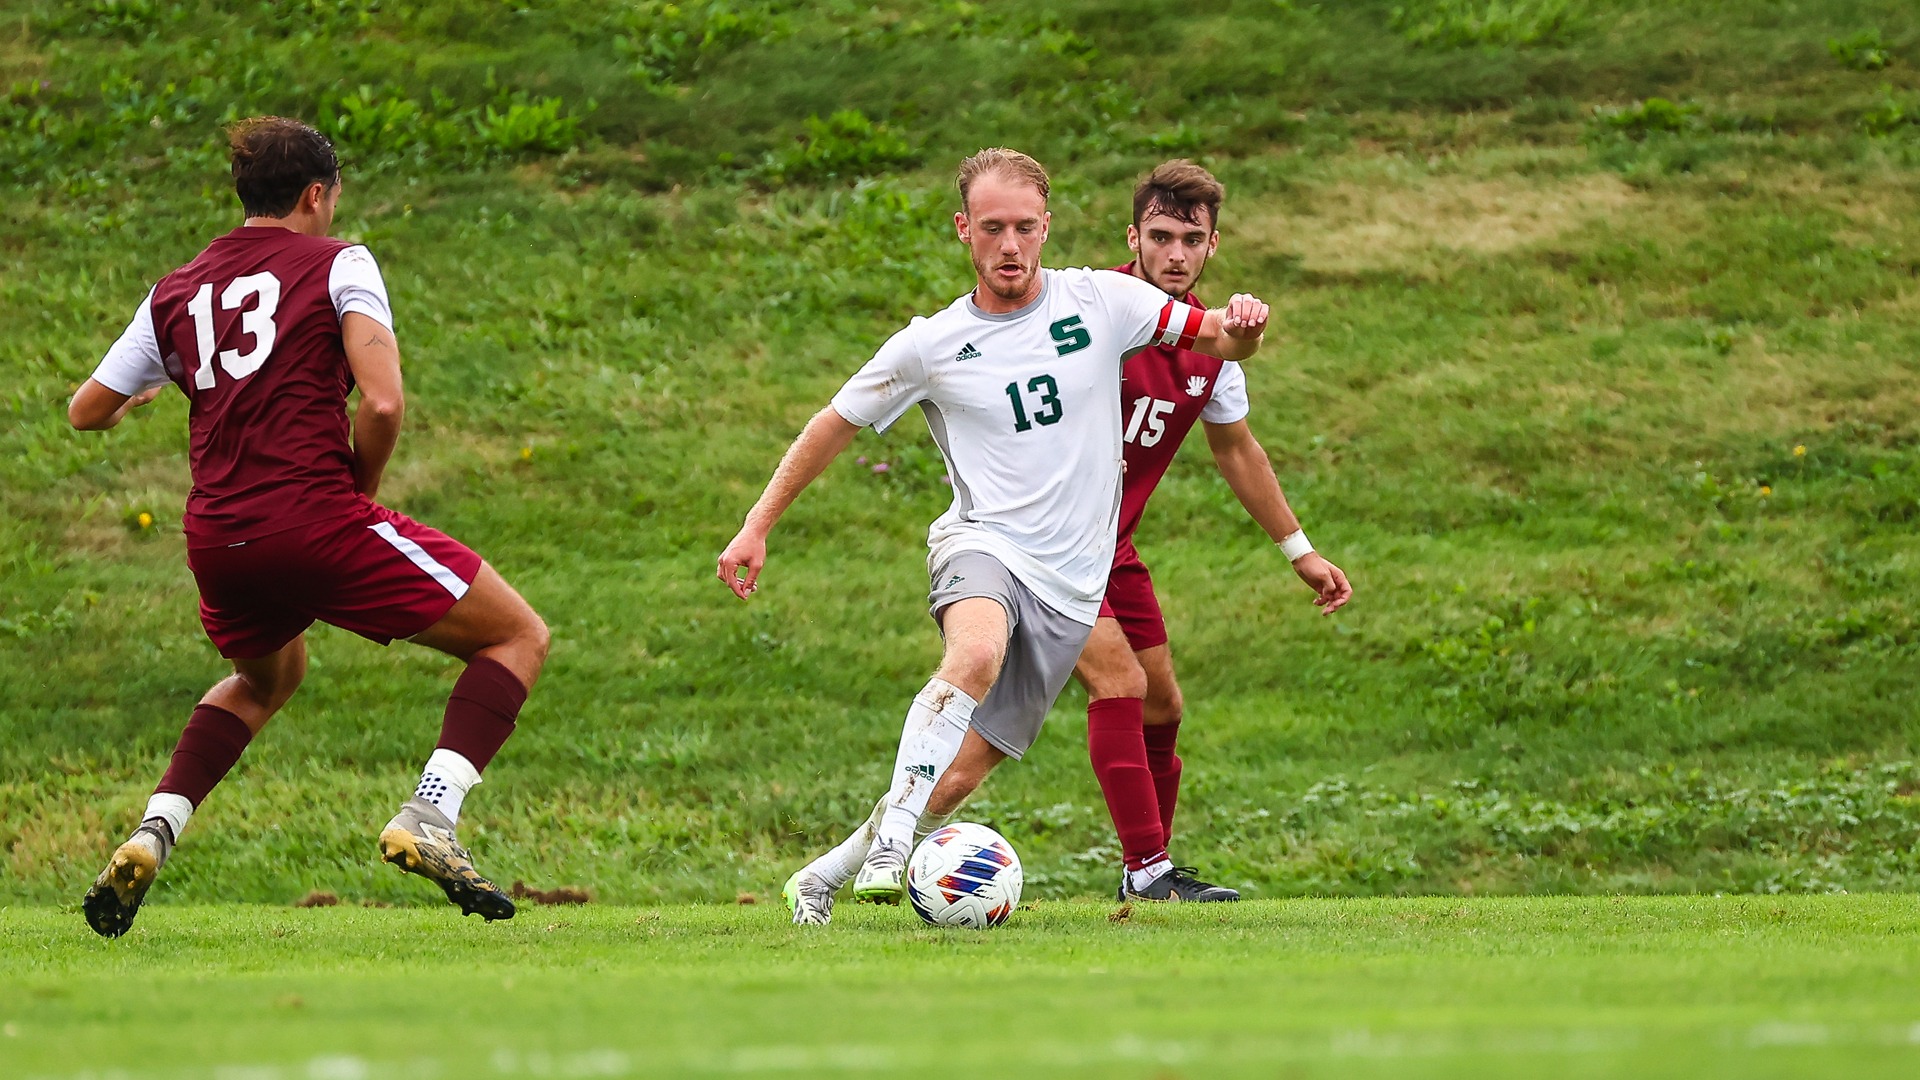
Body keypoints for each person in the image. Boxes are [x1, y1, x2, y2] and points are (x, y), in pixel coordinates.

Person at [715, 148, 1271, 925]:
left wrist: (1244, 326)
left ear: (1047, 228)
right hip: (983, 545)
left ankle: (821, 877)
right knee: (972, 653)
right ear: (963, 231)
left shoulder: (1104, 301)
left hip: (1070, 584)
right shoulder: (930, 344)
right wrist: (756, 526)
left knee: (960, 773)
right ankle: (892, 846)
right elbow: (832, 424)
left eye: (1023, 228)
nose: (1008, 245)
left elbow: (1217, 339)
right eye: (990, 228)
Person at [68, 116, 549, 937]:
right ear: (317, 194)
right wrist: (354, 496)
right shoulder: (341, 262)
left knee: (265, 679)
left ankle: (157, 827)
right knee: (517, 636)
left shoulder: (174, 289)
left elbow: (85, 411)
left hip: (219, 541)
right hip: (314, 519)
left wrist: (140, 399)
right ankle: (430, 815)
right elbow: (385, 400)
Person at [1077, 161, 1352, 905]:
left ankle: (1148, 871)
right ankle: (1148, 870)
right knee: (1119, 685)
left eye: (1189, 240)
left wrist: (1301, 552)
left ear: (1211, 248)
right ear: (1130, 238)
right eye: (1159, 236)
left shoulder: (1209, 343)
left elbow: (1236, 448)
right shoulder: (1087, 311)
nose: (1173, 253)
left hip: (1113, 546)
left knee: (1163, 705)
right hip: (1044, 543)